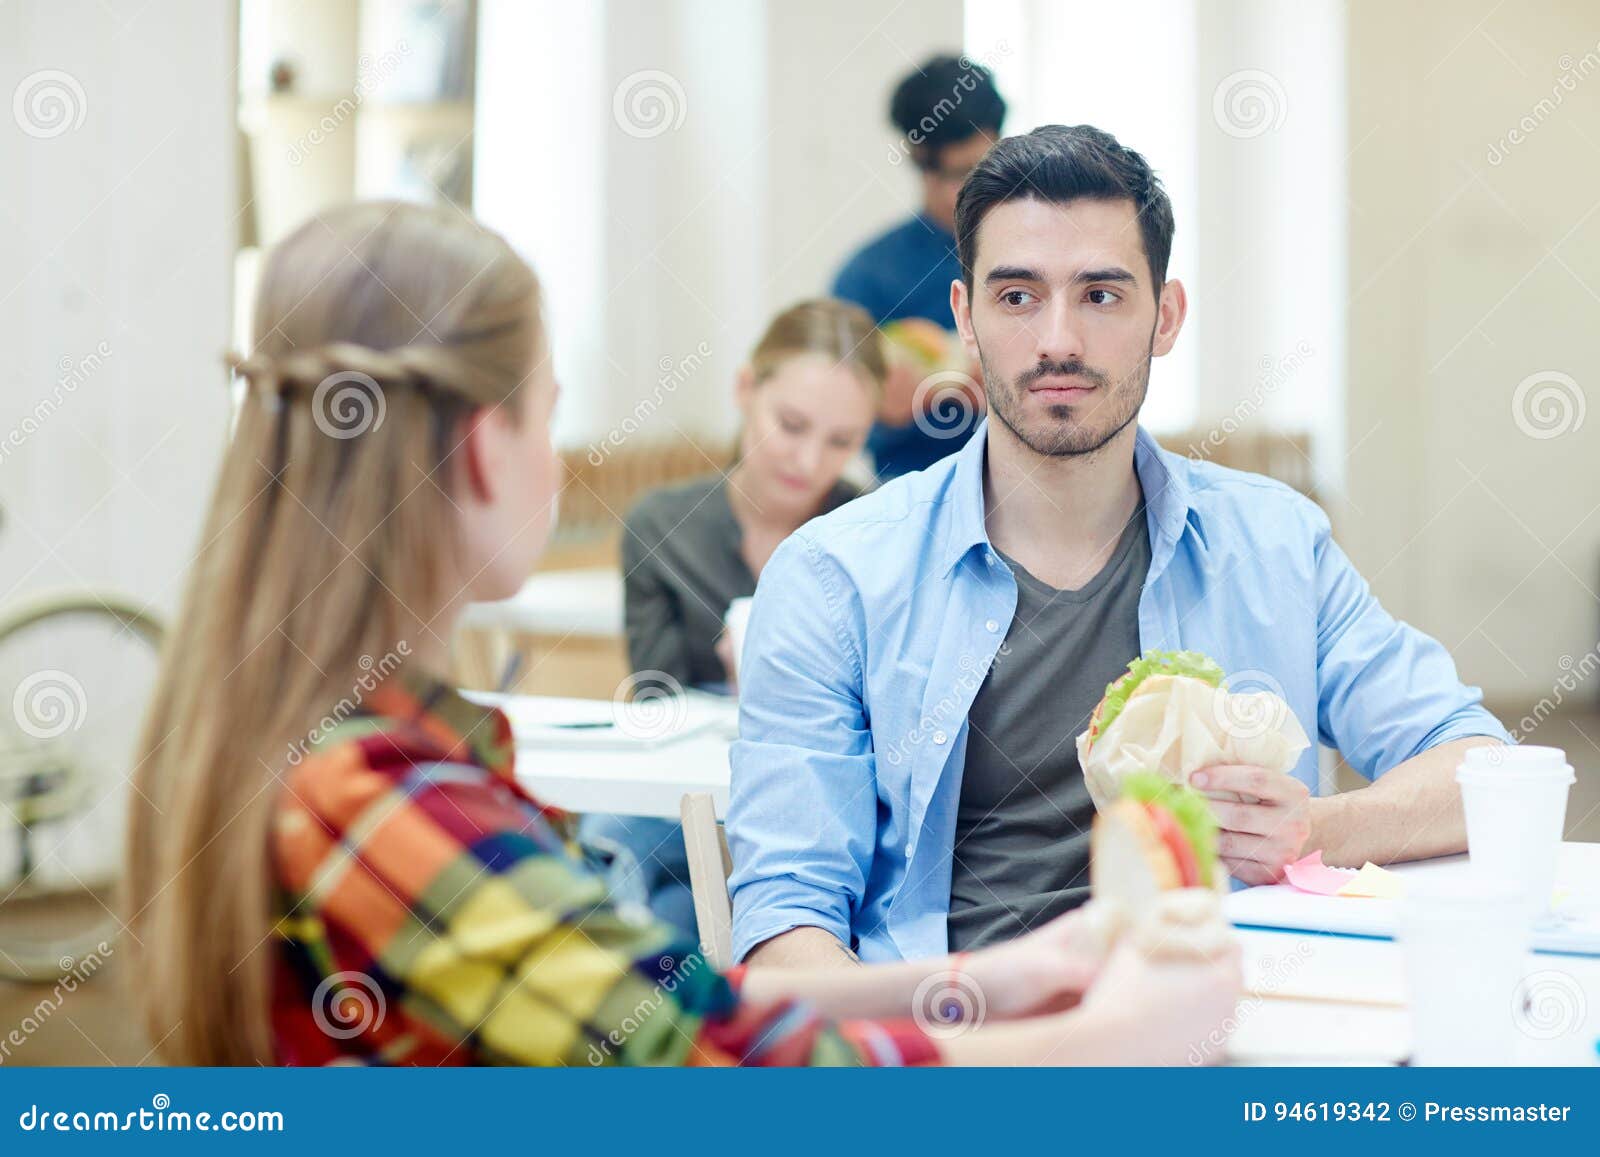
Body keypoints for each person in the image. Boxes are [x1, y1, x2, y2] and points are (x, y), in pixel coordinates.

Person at [123, 200, 1240, 1066]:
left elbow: (675, 1001)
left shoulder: (372, 754)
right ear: (479, 444)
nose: (554, 460)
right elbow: (716, 1069)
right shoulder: (375, 798)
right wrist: (1110, 1040)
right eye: (547, 412)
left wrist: (1012, 973)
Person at [728, 125, 1512, 968]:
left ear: (1164, 317)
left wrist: (1316, 828)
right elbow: (784, 922)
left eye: (1101, 295)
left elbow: (1480, 769)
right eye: (1018, 296)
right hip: (961, 1050)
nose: (1058, 340)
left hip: (1227, 1038)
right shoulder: (833, 576)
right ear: (966, 318)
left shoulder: (1275, 543)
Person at [581, 299, 884, 935]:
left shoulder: (874, 533)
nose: (807, 461)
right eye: (792, 424)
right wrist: (724, 687)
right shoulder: (663, 527)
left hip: (821, 808)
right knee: (653, 880)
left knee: (656, 900)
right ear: (746, 389)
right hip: (687, 804)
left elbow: (894, 724)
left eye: (841, 442)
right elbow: (653, 705)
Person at [833, 53, 1005, 481]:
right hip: (910, 497)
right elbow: (831, 417)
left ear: (999, 143)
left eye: (970, 170)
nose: (953, 195)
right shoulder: (868, 275)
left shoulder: (1044, 256)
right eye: (934, 172)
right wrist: (884, 408)